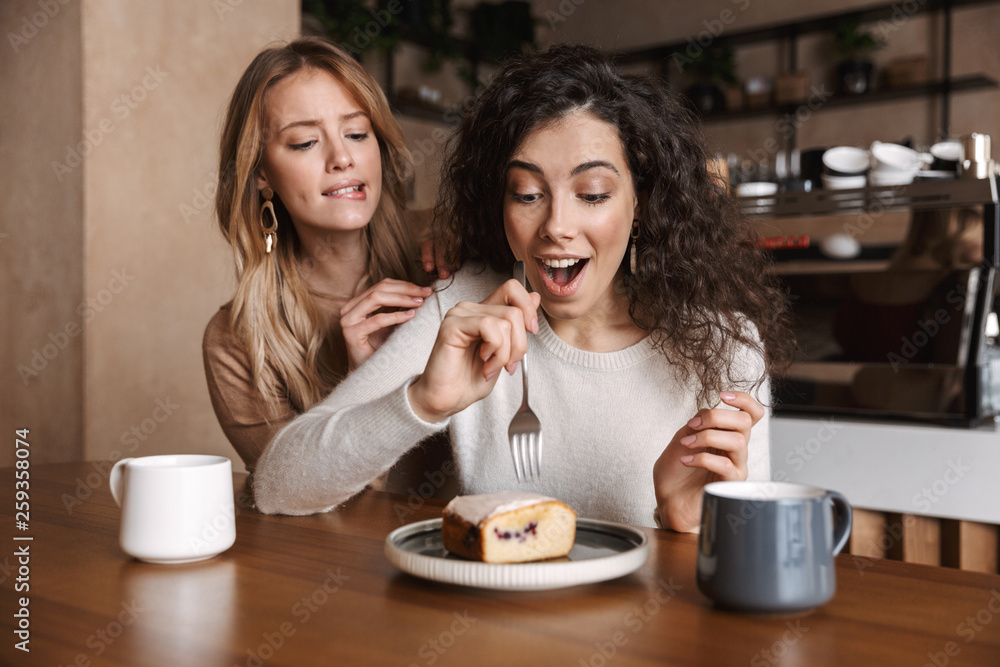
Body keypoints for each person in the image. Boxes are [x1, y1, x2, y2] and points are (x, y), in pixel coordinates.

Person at [251, 44, 794, 531]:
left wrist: (682, 522)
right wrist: (423, 400)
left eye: (594, 193)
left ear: (641, 203)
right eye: (528, 194)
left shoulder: (726, 345)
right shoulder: (465, 305)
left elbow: (749, 580)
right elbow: (277, 486)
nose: (556, 225)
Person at [203, 38, 446, 475]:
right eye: (304, 143)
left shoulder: (446, 247)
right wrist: (366, 385)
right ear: (261, 174)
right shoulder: (237, 343)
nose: (343, 158)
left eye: (356, 133)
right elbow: (304, 509)